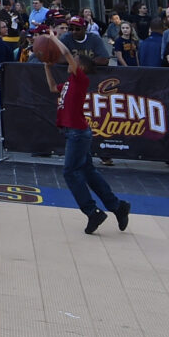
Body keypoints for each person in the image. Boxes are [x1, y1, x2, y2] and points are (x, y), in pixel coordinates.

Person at [48, 48, 131, 235]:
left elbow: (66, 53)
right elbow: (52, 88)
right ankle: (118, 206)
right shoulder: (69, 82)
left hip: (77, 133)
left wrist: (53, 38)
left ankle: (92, 211)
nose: (70, 61)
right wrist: (47, 67)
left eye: (74, 60)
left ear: (81, 67)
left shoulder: (80, 79)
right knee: (87, 171)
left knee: (70, 172)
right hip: (75, 132)